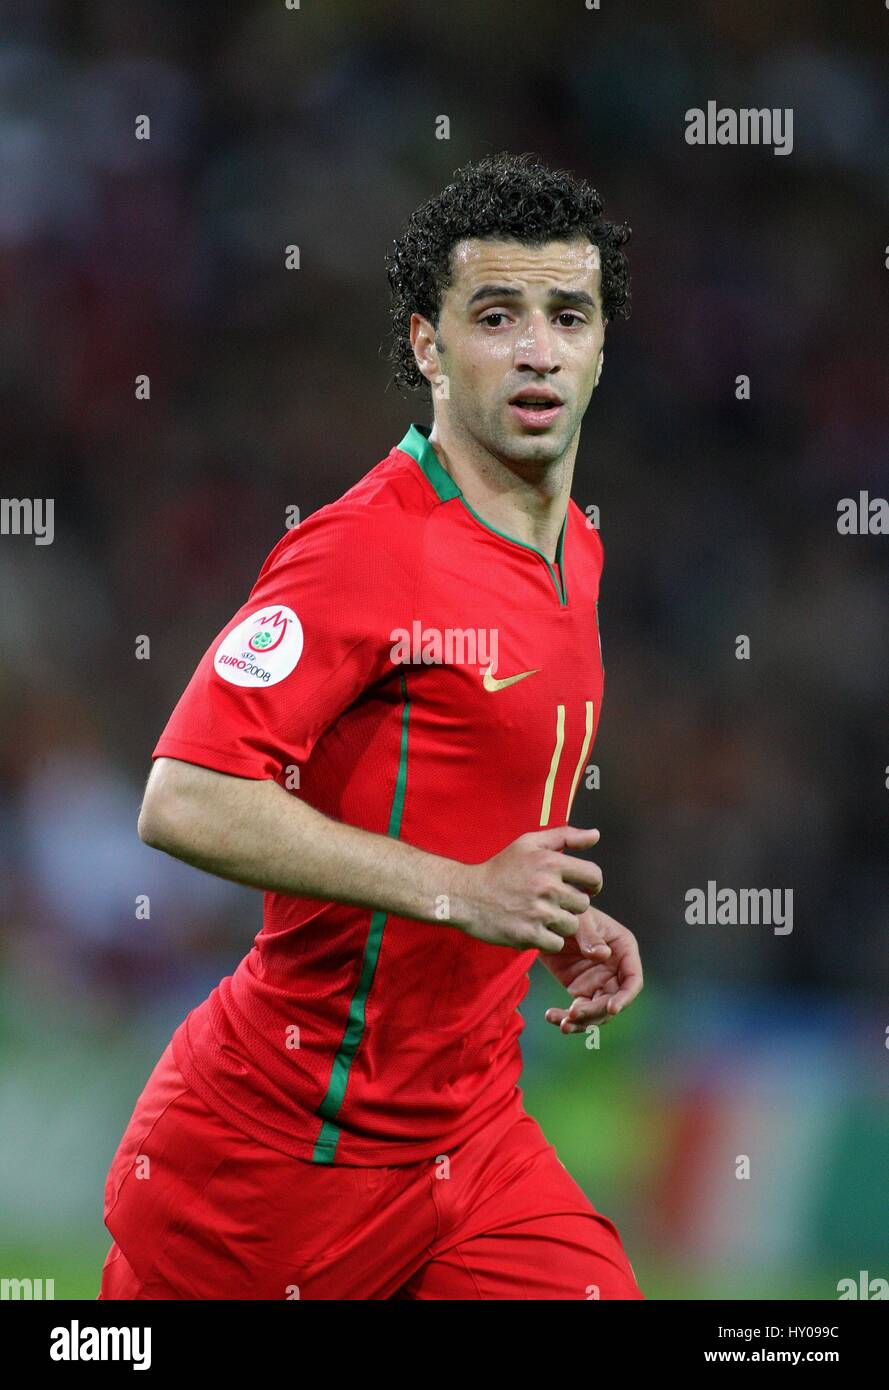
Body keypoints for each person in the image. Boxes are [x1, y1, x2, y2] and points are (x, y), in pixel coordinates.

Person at [99, 151, 644, 1300]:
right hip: (277, 1158)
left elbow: (462, 802)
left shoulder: (576, 551)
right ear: (426, 346)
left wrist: (543, 914)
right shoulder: (363, 549)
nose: (537, 348)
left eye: (567, 315)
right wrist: (463, 891)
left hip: (474, 1138)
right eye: (495, 316)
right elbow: (184, 795)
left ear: (601, 346)